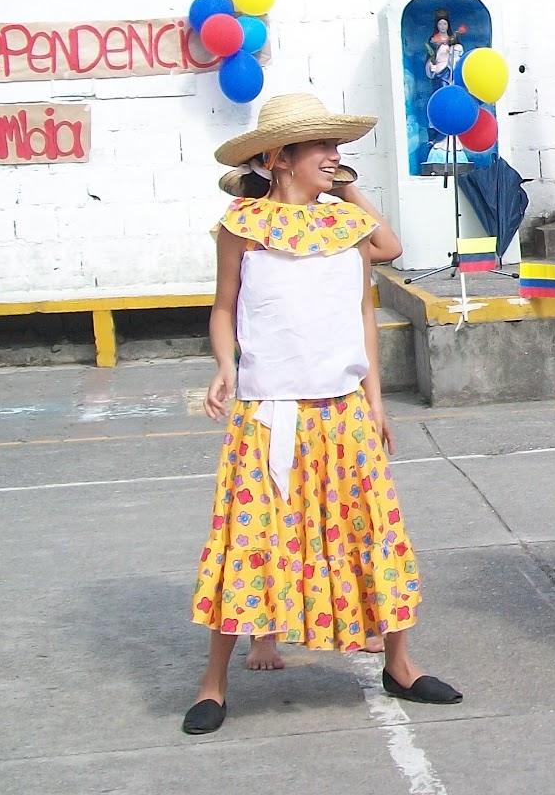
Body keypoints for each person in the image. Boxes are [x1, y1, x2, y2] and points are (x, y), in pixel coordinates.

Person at [184, 94, 460, 736]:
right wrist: (226, 365)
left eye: (339, 148)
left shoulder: (346, 225)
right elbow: (224, 308)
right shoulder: (241, 225)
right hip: (269, 411)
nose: (336, 157)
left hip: (343, 412)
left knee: (373, 531)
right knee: (249, 539)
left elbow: (379, 272)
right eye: (322, 148)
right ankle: (212, 683)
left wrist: (375, 401)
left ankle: (401, 663)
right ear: (281, 158)